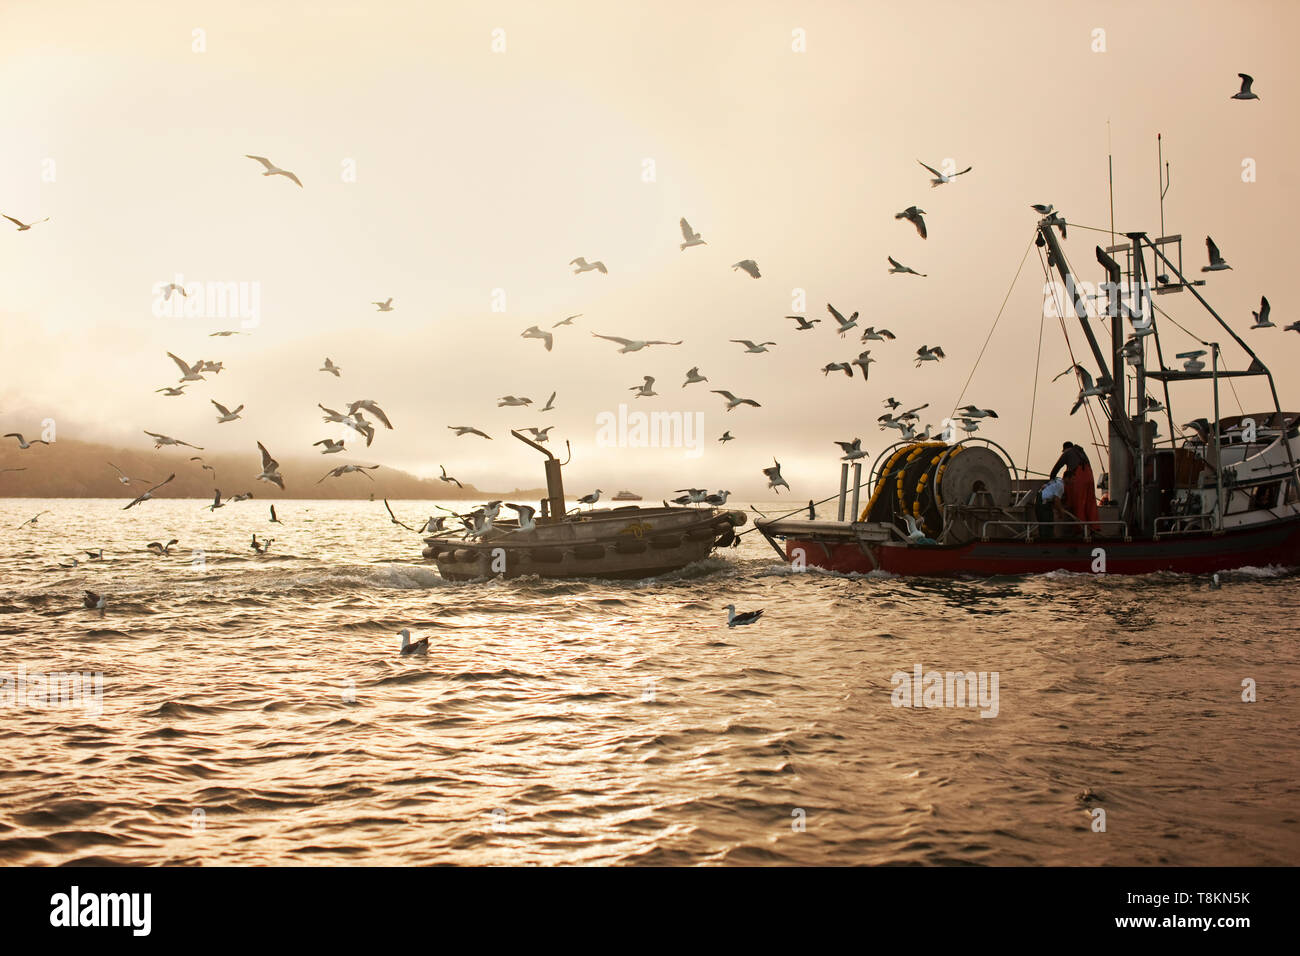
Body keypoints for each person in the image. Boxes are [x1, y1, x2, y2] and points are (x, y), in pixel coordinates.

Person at [1049, 441, 1100, 531]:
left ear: (1065, 449)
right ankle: (1095, 528)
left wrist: (1052, 479)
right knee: (1090, 503)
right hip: (1090, 478)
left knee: (1078, 503)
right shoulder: (1081, 452)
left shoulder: (1067, 452)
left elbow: (1057, 467)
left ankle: (1080, 530)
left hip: (1079, 479)